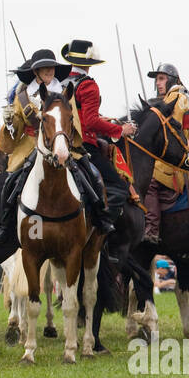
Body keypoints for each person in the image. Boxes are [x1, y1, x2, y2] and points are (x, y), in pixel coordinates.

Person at [0, 49, 109, 243]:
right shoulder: (22, 97)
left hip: (62, 144)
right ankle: (5, 226)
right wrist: (10, 122)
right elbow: (15, 130)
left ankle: (100, 218)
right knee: (11, 184)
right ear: (36, 72)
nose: (49, 71)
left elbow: (74, 122)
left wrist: (67, 140)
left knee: (92, 174)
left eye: (51, 67)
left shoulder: (65, 93)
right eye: (44, 68)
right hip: (30, 147)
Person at [61, 39, 135, 234]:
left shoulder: (59, 82)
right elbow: (91, 121)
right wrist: (119, 130)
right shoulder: (88, 86)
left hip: (59, 142)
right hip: (83, 145)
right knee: (119, 189)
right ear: (89, 64)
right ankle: (98, 231)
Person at [142, 63, 189, 243]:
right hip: (170, 153)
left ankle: (151, 229)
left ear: (171, 79)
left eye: (161, 78)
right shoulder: (172, 97)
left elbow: (171, 129)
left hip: (179, 157)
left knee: (149, 182)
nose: (158, 83)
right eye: (157, 79)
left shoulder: (179, 96)